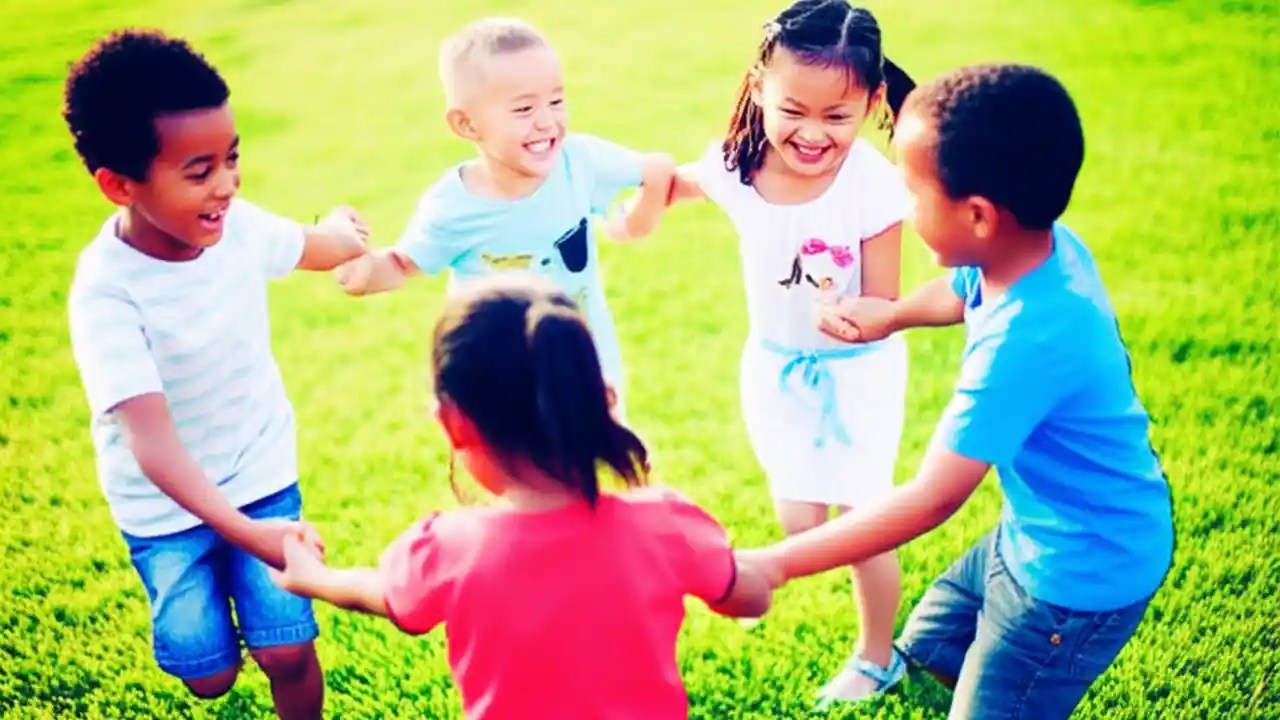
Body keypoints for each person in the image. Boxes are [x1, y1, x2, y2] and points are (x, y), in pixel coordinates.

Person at [743, 63, 1175, 720]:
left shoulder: (1025, 344)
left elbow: (931, 498)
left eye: (914, 194)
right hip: (1033, 533)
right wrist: (890, 314)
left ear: (977, 215)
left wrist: (776, 564)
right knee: (929, 647)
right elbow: (961, 290)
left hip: (1076, 579)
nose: (905, 207)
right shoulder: (1037, 250)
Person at [272, 273, 772, 720]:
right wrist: (752, 575)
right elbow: (749, 598)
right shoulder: (663, 524)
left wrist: (314, 577)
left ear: (454, 423)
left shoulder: (448, 548)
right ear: (600, 399)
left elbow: (380, 594)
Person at [63, 29, 370, 719]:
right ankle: (208, 628)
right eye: (199, 172)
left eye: (232, 160)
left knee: (287, 650)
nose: (227, 186)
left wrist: (350, 233)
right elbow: (151, 442)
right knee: (207, 675)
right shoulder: (106, 293)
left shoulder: (238, 228)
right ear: (118, 184)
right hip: (163, 510)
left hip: (259, 474)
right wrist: (243, 533)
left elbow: (317, 246)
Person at [663, 0, 917, 705]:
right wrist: (631, 205)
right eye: (793, 110)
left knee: (862, 524)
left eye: (836, 117)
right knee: (800, 523)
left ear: (870, 102)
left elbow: (886, 306)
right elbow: (674, 183)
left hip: (854, 376)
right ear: (759, 87)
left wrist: (856, 319)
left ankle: (876, 655)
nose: (811, 134)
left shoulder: (872, 186)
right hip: (775, 368)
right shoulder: (737, 164)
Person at [333, 17, 676, 419]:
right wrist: (356, 267)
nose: (547, 120)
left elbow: (645, 200)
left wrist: (650, 194)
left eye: (557, 101)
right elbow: (399, 265)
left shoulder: (579, 162)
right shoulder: (455, 205)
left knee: (597, 470)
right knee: (525, 479)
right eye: (524, 108)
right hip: (502, 382)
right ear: (467, 123)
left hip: (585, 366)